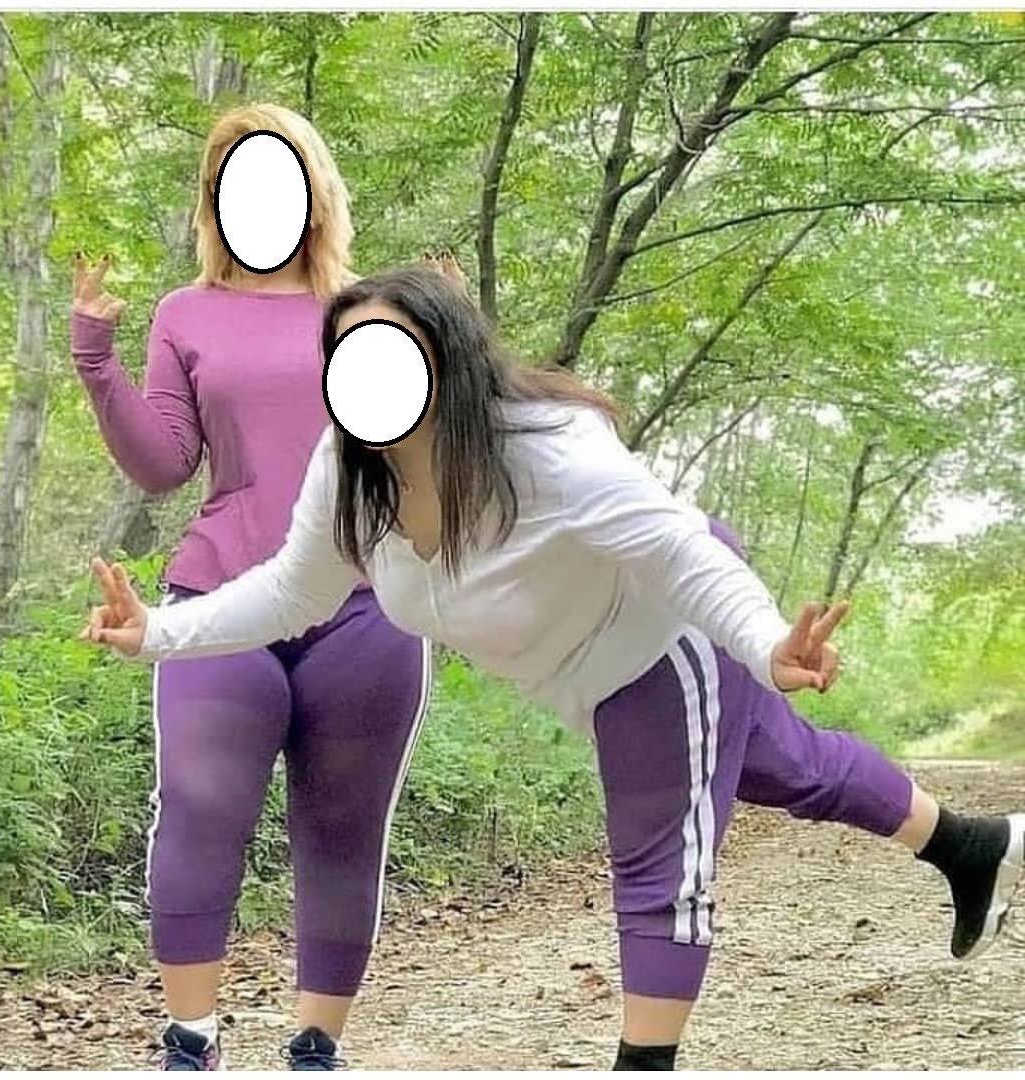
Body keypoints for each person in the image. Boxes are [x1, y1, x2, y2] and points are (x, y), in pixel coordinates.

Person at [81, 265, 1024, 1071]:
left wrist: (768, 643)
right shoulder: (350, 468)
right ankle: (973, 846)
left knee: (659, 857)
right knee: (791, 767)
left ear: (450, 362)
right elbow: (292, 591)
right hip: (586, 674)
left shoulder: (547, 448)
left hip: (661, 639)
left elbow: (681, 549)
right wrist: (158, 631)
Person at [70, 109, 432, 1071]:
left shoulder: (370, 312)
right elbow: (163, 463)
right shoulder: (187, 313)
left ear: (315, 193)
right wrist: (96, 360)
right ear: (215, 200)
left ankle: (316, 1046)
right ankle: (190, 1039)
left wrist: (452, 346)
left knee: (344, 829)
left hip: (366, 607)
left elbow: (425, 451)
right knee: (197, 804)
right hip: (220, 598)